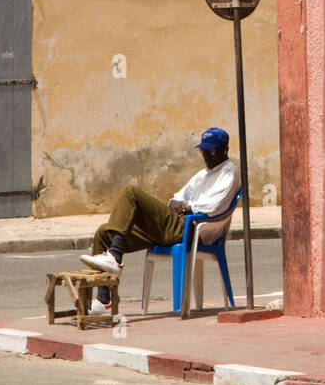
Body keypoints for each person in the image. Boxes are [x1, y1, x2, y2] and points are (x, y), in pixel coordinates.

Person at [80, 127, 241, 313]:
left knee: (131, 193)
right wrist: (174, 202)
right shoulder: (203, 174)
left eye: (210, 151)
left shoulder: (230, 173)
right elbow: (179, 195)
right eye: (203, 151)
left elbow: (213, 207)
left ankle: (114, 256)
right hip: (177, 224)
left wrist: (187, 207)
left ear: (224, 150)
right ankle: (104, 299)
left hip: (192, 229)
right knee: (104, 232)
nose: (206, 156)